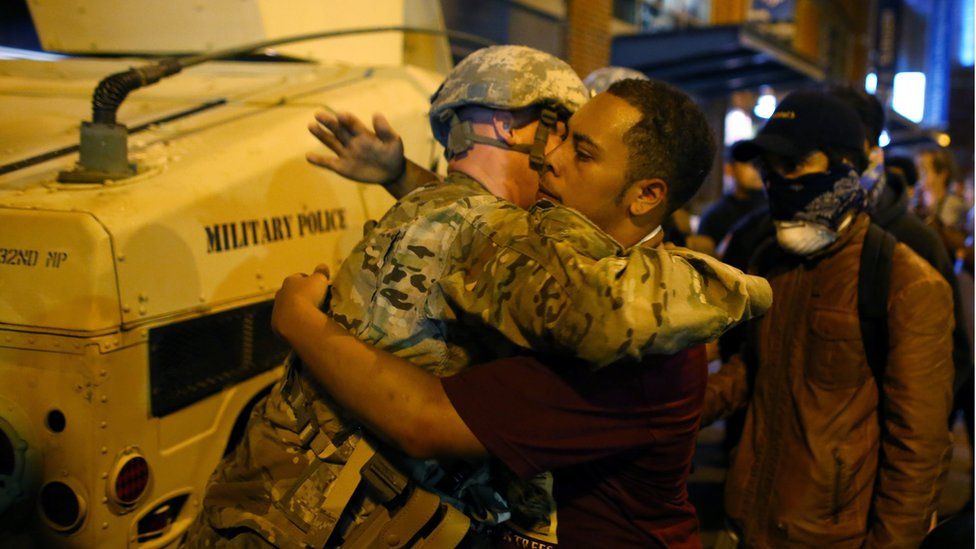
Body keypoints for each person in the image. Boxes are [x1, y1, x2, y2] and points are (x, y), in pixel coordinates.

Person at [183, 46, 771, 548]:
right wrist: (403, 175)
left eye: (580, 150)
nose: (552, 158)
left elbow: (424, 419)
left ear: (645, 195)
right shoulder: (541, 249)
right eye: (557, 134)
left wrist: (299, 321)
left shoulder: (642, 334)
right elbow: (478, 227)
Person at [704, 89, 954, 547]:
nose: (778, 182)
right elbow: (753, 368)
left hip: (834, 536)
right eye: (769, 169)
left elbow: (918, 449)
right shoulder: (770, 257)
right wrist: (672, 402)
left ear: (845, 168)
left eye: (794, 166)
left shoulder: (905, 282)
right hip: (746, 521)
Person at [697, 152, 766, 249]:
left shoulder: (772, 209)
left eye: (758, 164)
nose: (755, 169)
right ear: (729, 169)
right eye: (748, 164)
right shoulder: (715, 215)